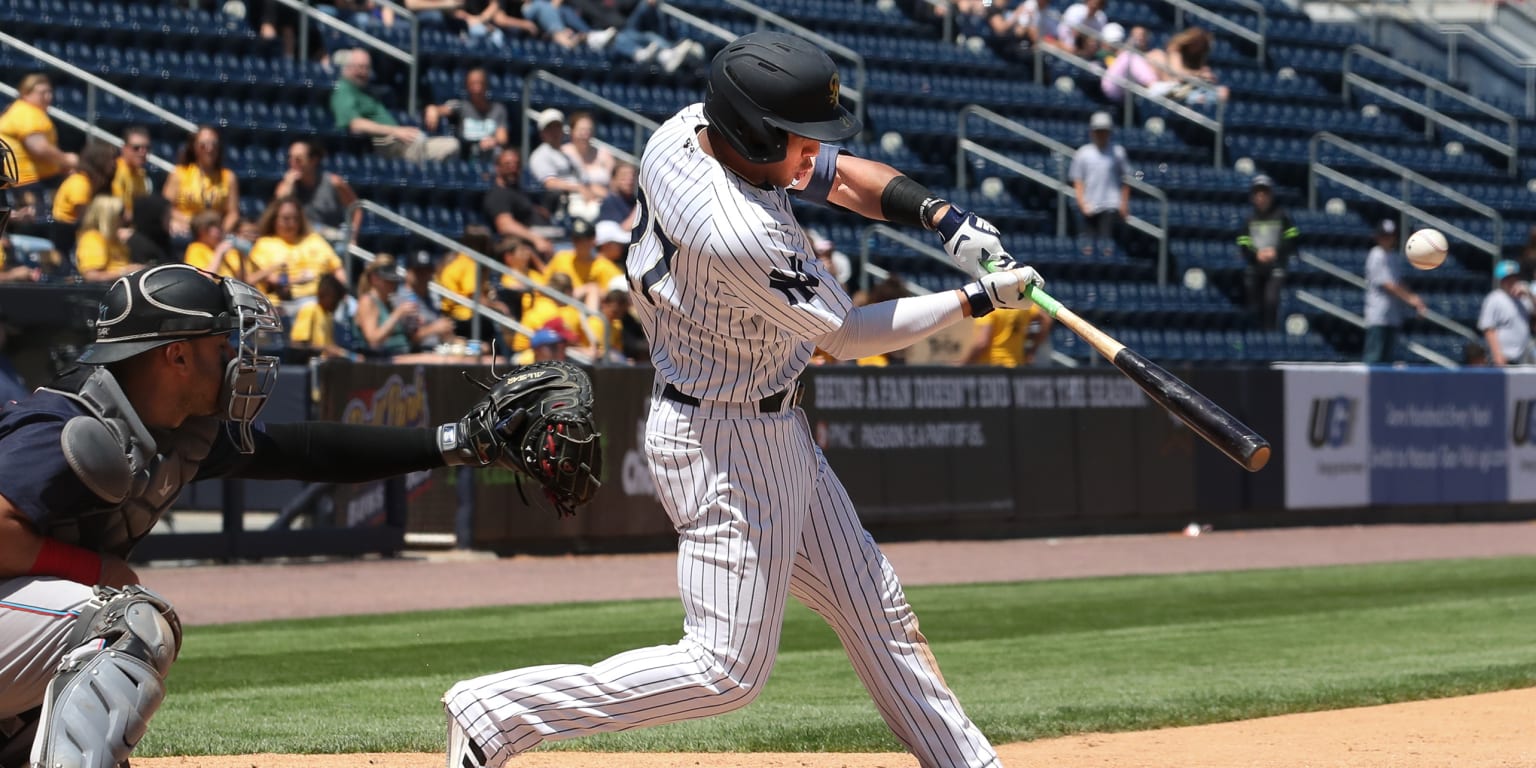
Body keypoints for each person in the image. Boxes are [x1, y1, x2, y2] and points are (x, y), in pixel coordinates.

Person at [444, 30, 1042, 768]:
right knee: (723, 672)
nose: (808, 154)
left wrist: (940, 217)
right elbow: (847, 336)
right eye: (796, 139)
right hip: (718, 442)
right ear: (754, 133)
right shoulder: (736, 231)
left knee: (875, 609)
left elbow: (839, 178)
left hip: (769, 421)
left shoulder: (686, 132)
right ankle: (496, 712)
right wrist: (976, 299)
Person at [0, 263, 565, 768]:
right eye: (221, 344)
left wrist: (453, 442)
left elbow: (307, 450)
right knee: (129, 623)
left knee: (75, 709)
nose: (234, 358)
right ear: (176, 355)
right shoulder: (67, 429)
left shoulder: (171, 431)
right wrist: (94, 570)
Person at [330, 48, 461, 164]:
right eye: (359, 67)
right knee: (416, 140)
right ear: (346, 67)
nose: (363, 72)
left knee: (452, 145)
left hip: (399, 142)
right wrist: (395, 131)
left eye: (366, 68)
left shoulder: (366, 91)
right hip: (381, 143)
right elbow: (355, 124)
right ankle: (414, 182)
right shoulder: (344, 89)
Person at [246, 196, 349, 309]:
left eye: (296, 219)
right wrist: (297, 280)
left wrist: (343, 291)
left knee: (352, 306)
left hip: (324, 299)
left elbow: (337, 268)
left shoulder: (314, 240)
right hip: (286, 303)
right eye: (286, 219)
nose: (291, 223)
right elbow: (267, 278)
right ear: (274, 219)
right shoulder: (264, 244)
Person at [1235, 174, 1299, 331]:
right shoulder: (1249, 219)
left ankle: (1270, 335)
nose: (1261, 197)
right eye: (1257, 193)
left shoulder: (1282, 216)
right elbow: (1243, 243)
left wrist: (1276, 252)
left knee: (1271, 300)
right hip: (1255, 266)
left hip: (1277, 266)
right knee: (1252, 302)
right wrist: (1256, 255)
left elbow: (1292, 239)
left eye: (1265, 193)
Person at [273, 140, 363, 246]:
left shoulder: (334, 183)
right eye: (290, 158)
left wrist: (353, 235)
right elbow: (277, 209)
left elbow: (356, 208)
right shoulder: (285, 186)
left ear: (313, 160)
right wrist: (289, 185)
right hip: (300, 240)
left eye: (298, 159)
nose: (293, 163)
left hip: (330, 240)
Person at [1362, 219, 1425, 364]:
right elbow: (1388, 285)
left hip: (1392, 315)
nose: (1388, 239)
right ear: (1378, 237)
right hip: (1378, 315)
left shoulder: (1394, 257)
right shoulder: (1376, 255)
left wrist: (1414, 297)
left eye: (1390, 235)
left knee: (1387, 360)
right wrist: (1410, 299)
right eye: (1384, 236)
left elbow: (1398, 282)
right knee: (1374, 358)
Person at [528, 109, 607, 223]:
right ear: (542, 132)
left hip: (581, 198)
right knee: (600, 214)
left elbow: (585, 181)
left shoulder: (566, 154)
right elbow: (550, 183)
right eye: (550, 128)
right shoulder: (540, 155)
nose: (554, 132)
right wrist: (579, 188)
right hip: (564, 201)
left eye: (557, 127)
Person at [0, 74, 76, 192]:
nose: (48, 97)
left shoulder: (21, 109)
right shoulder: (27, 113)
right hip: (28, 184)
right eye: (42, 93)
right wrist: (66, 160)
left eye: (50, 92)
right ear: (26, 93)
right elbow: (39, 148)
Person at [1070, 111, 1131, 257]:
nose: (1101, 135)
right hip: (1090, 205)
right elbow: (1078, 180)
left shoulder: (1118, 152)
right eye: (1098, 131)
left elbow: (1126, 180)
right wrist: (1082, 203)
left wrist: (1123, 204)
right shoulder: (1083, 153)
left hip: (1110, 204)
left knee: (1107, 245)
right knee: (1088, 247)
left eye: (1104, 131)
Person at [162, 126, 241, 238]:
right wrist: (192, 222)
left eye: (214, 144)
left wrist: (221, 230)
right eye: (203, 145)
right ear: (194, 147)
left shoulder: (228, 177)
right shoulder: (179, 174)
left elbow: (233, 213)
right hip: (186, 228)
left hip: (216, 232)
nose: (210, 149)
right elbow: (166, 207)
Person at [481, 147, 555, 261]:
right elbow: (505, 225)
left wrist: (537, 211)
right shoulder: (498, 194)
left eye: (516, 164)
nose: (513, 168)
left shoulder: (516, 190)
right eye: (507, 164)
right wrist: (536, 239)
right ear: (497, 168)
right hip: (527, 245)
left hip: (544, 235)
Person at [47, 140, 118, 259]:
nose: (114, 163)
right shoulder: (80, 183)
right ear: (98, 160)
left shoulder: (94, 184)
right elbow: (85, 219)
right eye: (110, 159)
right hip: (67, 237)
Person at [425, 68, 511, 164]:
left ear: (486, 85)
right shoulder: (461, 106)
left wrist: (493, 141)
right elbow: (441, 109)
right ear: (467, 86)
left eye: (479, 83)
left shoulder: (498, 109)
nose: (477, 88)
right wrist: (432, 109)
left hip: (489, 153)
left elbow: (502, 138)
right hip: (466, 153)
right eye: (472, 84)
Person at [543, 216, 622, 307]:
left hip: (583, 312)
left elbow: (615, 295)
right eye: (576, 239)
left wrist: (589, 291)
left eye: (583, 240)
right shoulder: (561, 258)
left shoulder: (603, 266)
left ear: (593, 240)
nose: (578, 243)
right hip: (556, 306)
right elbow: (545, 283)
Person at [353, 253, 417, 358]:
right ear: (374, 279)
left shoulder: (391, 301)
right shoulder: (367, 301)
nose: (393, 284)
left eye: (393, 280)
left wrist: (412, 323)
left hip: (403, 355)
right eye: (388, 280)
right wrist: (397, 314)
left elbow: (409, 338)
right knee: (445, 361)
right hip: (382, 361)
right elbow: (373, 341)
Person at [289, 272, 359, 361]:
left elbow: (332, 348)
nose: (336, 304)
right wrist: (324, 349)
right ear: (324, 294)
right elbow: (296, 344)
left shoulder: (329, 316)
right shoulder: (310, 310)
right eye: (335, 299)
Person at [399, 249, 459, 351]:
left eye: (427, 271)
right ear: (408, 273)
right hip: (415, 354)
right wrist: (434, 328)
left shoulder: (431, 298)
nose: (423, 276)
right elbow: (408, 339)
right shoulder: (402, 298)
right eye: (418, 272)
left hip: (437, 350)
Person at [1478, 260, 1534, 367]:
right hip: (1503, 359)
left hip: (1523, 359)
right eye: (1508, 278)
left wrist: (1530, 294)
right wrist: (1497, 355)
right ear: (1501, 280)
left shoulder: (1524, 298)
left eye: (1514, 278)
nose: (1512, 281)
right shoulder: (1494, 298)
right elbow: (1488, 329)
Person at [74, 195, 141, 282]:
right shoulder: (92, 239)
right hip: (105, 291)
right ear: (108, 216)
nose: (126, 217)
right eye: (121, 213)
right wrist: (125, 272)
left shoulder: (113, 238)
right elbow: (91, 276)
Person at [183, 208, 244, 279]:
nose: (220, 231)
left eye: (220, 227)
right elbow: (204, 278)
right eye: (216, 228)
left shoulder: (231, 251)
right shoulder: (195, 249)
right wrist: (219, 253)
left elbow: (243, 282)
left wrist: (241, 256)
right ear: (202, 231)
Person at [561, 111, 616, 189]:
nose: (585, 134)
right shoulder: (563, 152)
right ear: (572, 131)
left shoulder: (604, 153)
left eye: (588, 130)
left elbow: (614, 184)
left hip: (604, 199)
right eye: (581, 130)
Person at [111, 126, 154, 219]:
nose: (143, 152)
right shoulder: (115, 171)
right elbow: (118, 209)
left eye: (147, 148)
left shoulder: (141, 174)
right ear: (124, 148)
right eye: (136, 148)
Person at [126, 193, 175, 267]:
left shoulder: (161, 240)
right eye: (167, 216)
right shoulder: (140, 245)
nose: (170, 219)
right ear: (155, 218)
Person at [597, 160, 638, 228]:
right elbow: (623, 229)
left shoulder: (634, 200)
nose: (629, 181)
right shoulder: (610, 202)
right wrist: (638, 209)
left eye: (632, 177)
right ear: (613, 180)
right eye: (624, 177)